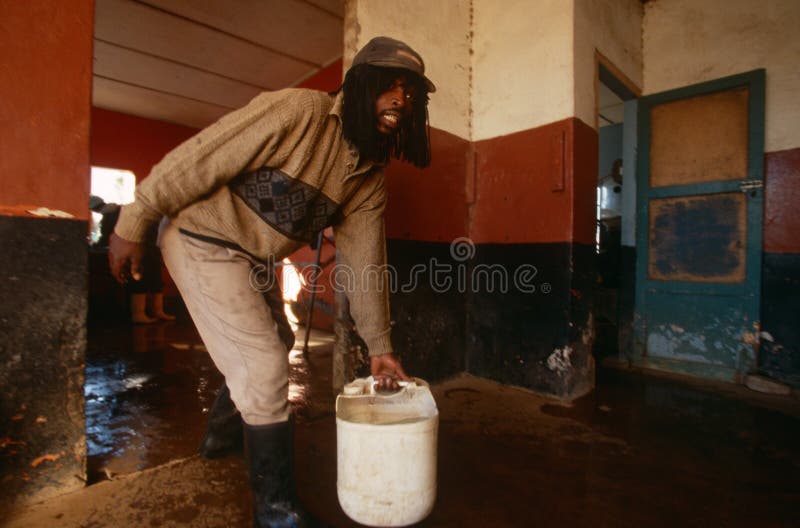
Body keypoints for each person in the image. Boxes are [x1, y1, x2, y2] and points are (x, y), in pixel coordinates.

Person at [108, 36, 435, 527]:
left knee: (274, 340)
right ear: (362, 84)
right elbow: (205, 155)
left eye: (411, 93)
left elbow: (365, 263)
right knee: (262, 366)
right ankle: (276, 511)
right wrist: (134, 220)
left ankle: (222, 437)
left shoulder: (369, 176)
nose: (401, 100)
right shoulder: (298, 110)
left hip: (253, 258)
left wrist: (379, 345)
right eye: (391, 85)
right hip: (202, 238)